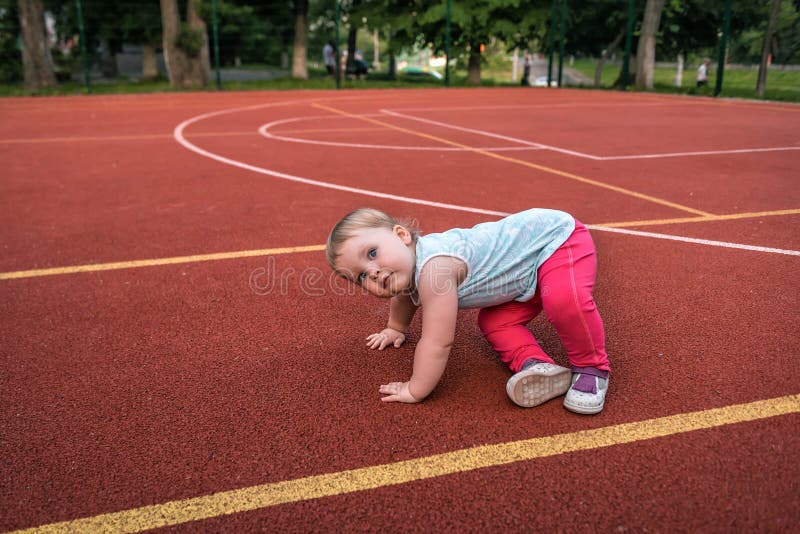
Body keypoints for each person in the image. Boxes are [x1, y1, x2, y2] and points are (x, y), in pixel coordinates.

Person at [326, 208, 611, 414]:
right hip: (523, 273)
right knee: (495, 322)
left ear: (402, 236)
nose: (373, 272)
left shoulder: (435, 269)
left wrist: (416, 388)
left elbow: (438, 342)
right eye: (361, 276)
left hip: (556, 241)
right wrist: (396, 328)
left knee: (563, 300)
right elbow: (405, 297)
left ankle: (592, 368)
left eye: (372, 253)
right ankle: (535, 364)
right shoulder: (407, 269)